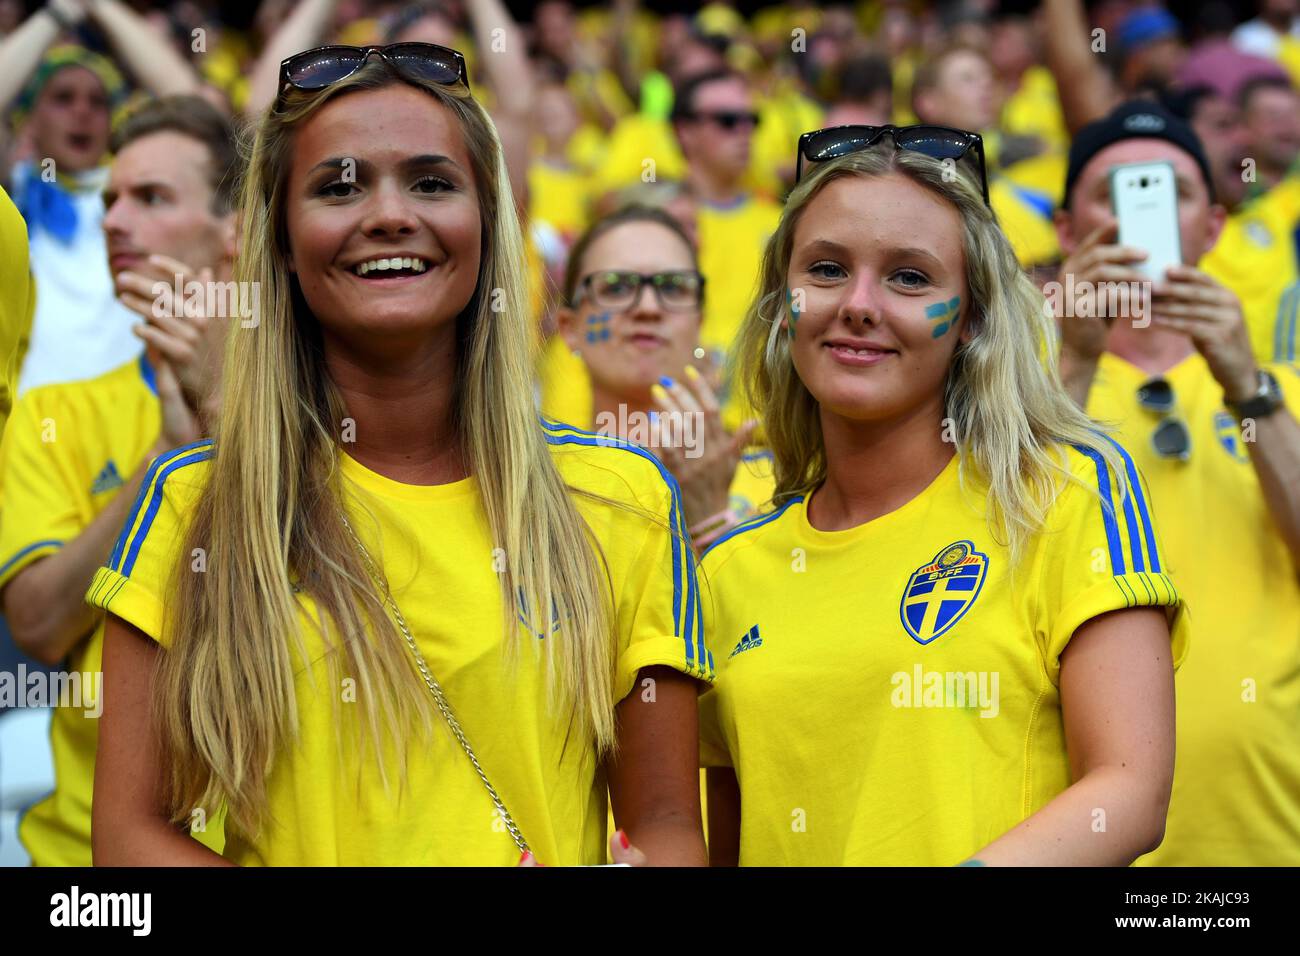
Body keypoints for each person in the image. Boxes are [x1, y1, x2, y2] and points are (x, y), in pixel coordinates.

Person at [89, 44, 710, 867]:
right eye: (338, 186)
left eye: (431, 182)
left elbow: (667, 824)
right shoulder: (193, 498)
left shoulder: (621, 494)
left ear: (489, 224)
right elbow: (130, 837)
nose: (387, 214)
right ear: (278, 238)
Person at [699, 125, 1186, 866]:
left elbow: (1130, 789)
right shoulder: (729, 569)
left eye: (909, 278)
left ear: (973, 320)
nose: (859, 304)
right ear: (781, 305)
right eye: (827, 269)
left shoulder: (1065, 490)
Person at [1054, 100, 1300, 865]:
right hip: (1074, 834)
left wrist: (1250, 389)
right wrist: (1075, 358)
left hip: (1267, 831)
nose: (1138, 216)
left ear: (1213, 226)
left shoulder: (1282, 385)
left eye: (1166, 192)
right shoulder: (1019, 396)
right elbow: (993, 551)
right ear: (1067, 232)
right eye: (1112, 194)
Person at [0, 95, 238, 866]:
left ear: (235, 232)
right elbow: (36, 625)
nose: (112, 220)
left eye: (151, 198)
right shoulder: (55, 412)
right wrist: (162, 469)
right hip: (82, 860)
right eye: (108, 200)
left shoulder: (324, 404)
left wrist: (229, 418)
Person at [0, 0, 201, 392]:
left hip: (133, 436)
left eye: (98, 101)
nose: (82, 112)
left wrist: (101, 5)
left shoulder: (136, 192)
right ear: (30, 116)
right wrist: (59, 12)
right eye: (62, 98)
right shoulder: (13, 189)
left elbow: (191, 105)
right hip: (30, 440)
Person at [553, 203, 770, 549]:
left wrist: (711, 521)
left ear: (699, 322)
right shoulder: (534, 484)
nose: (648, 308)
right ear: (569, 329)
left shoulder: (774, 485)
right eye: (615, 287)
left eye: (673, 287)